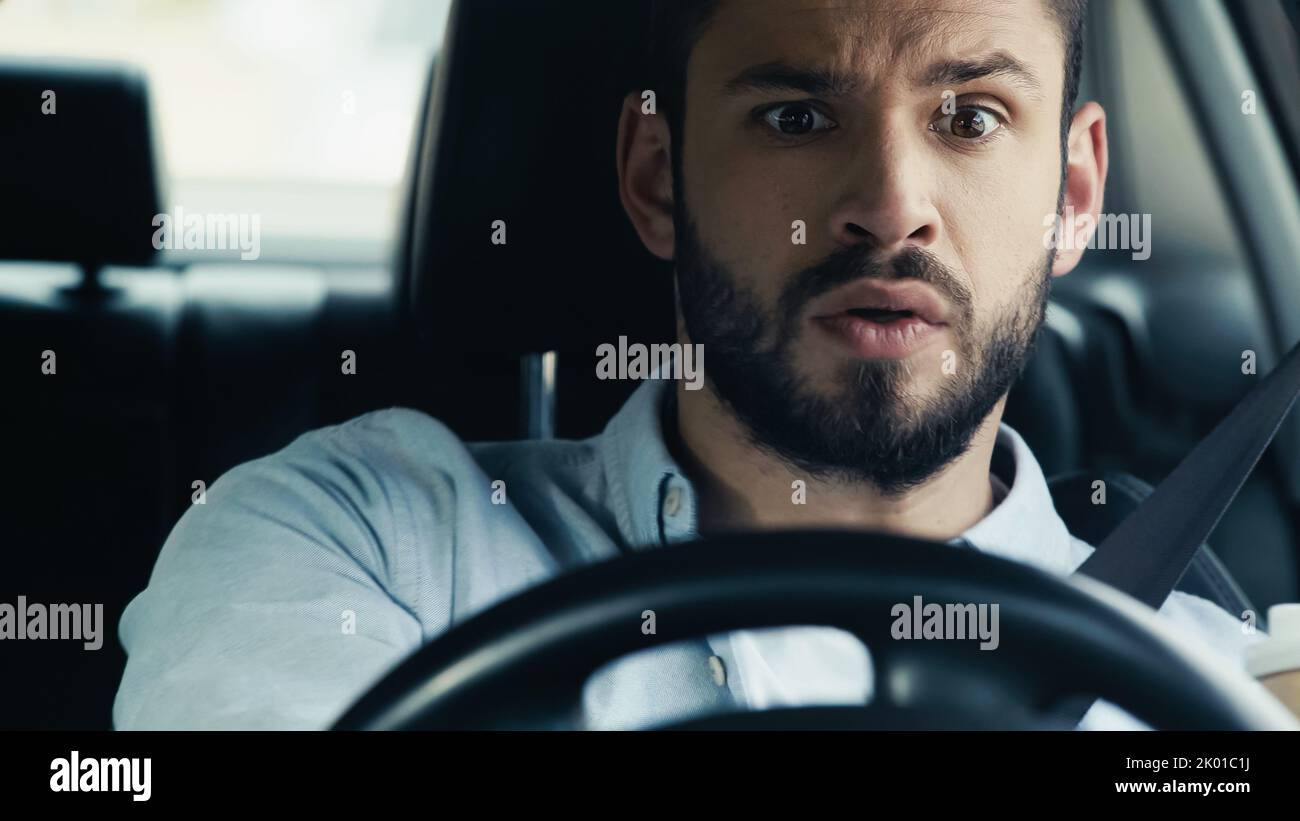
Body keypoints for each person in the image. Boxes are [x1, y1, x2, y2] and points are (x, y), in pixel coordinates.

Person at [113, 0, 1259, 730]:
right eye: (798, 119)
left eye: (968, 116)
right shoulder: (353, 542)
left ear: (1072, 196)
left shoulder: (1218, 688)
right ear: (659, 178)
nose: (890, 209)